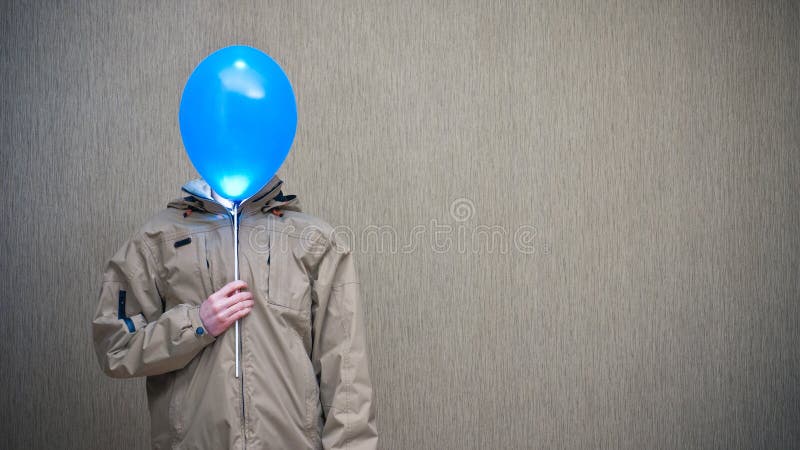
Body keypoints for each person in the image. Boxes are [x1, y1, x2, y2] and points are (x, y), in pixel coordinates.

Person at [92, 175, 378, 449]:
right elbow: (115, 347)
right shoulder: (157, 240)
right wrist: (196, 324)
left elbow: (347, 372)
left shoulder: (315, 242)